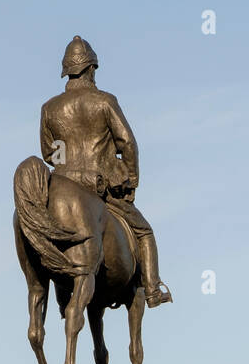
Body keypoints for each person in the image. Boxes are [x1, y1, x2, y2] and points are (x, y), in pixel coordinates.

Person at [39, 36, 172, 308]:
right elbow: (127, 143)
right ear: (91, 69)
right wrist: (130, 180)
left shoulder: (50, 108)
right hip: (100, 188)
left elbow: (50, 153)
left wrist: (67, 170)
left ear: (67, 71)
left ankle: (63, 297)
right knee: (145, 232)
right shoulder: (105, 101)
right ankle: (153, 290)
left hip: (63, 186)